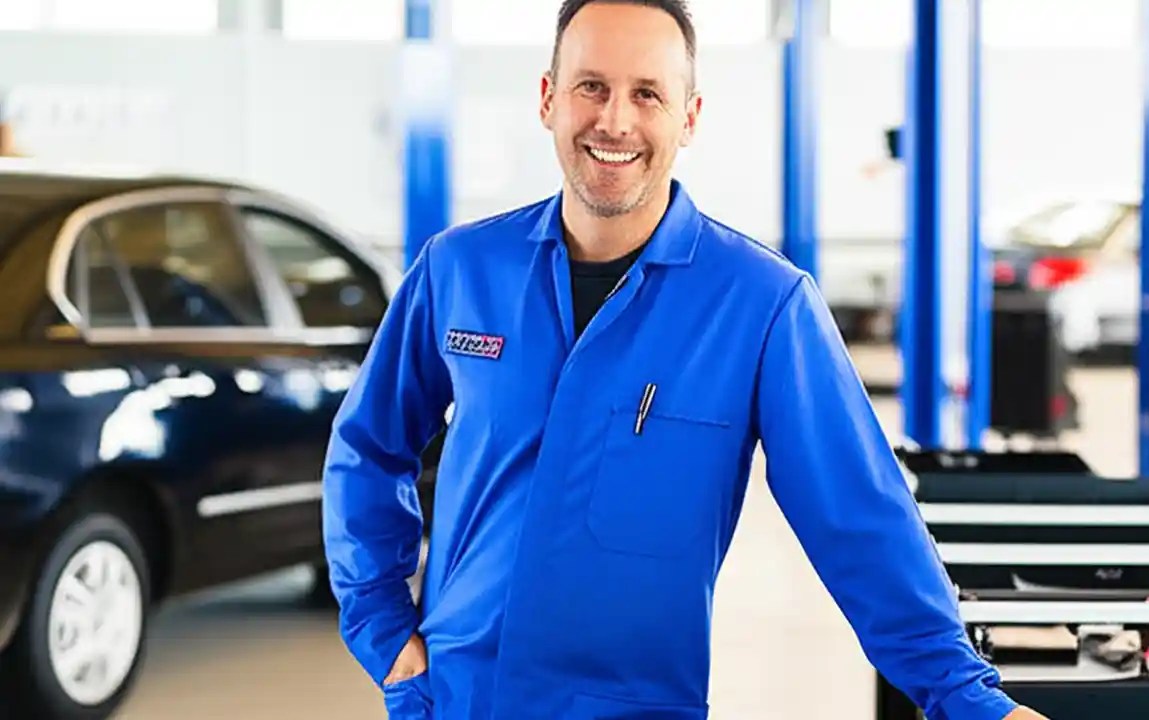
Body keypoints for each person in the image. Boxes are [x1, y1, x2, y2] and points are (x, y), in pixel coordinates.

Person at [321, 1, 1048, 718]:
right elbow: (367, 446)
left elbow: (859, 514)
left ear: (689, 116)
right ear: (548, 99)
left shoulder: (761, 305)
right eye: (591, 87)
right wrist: (380, 626)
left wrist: (965, 696)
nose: (615, 121)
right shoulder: (460, 270)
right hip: (456, 698)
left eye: (648, 94)